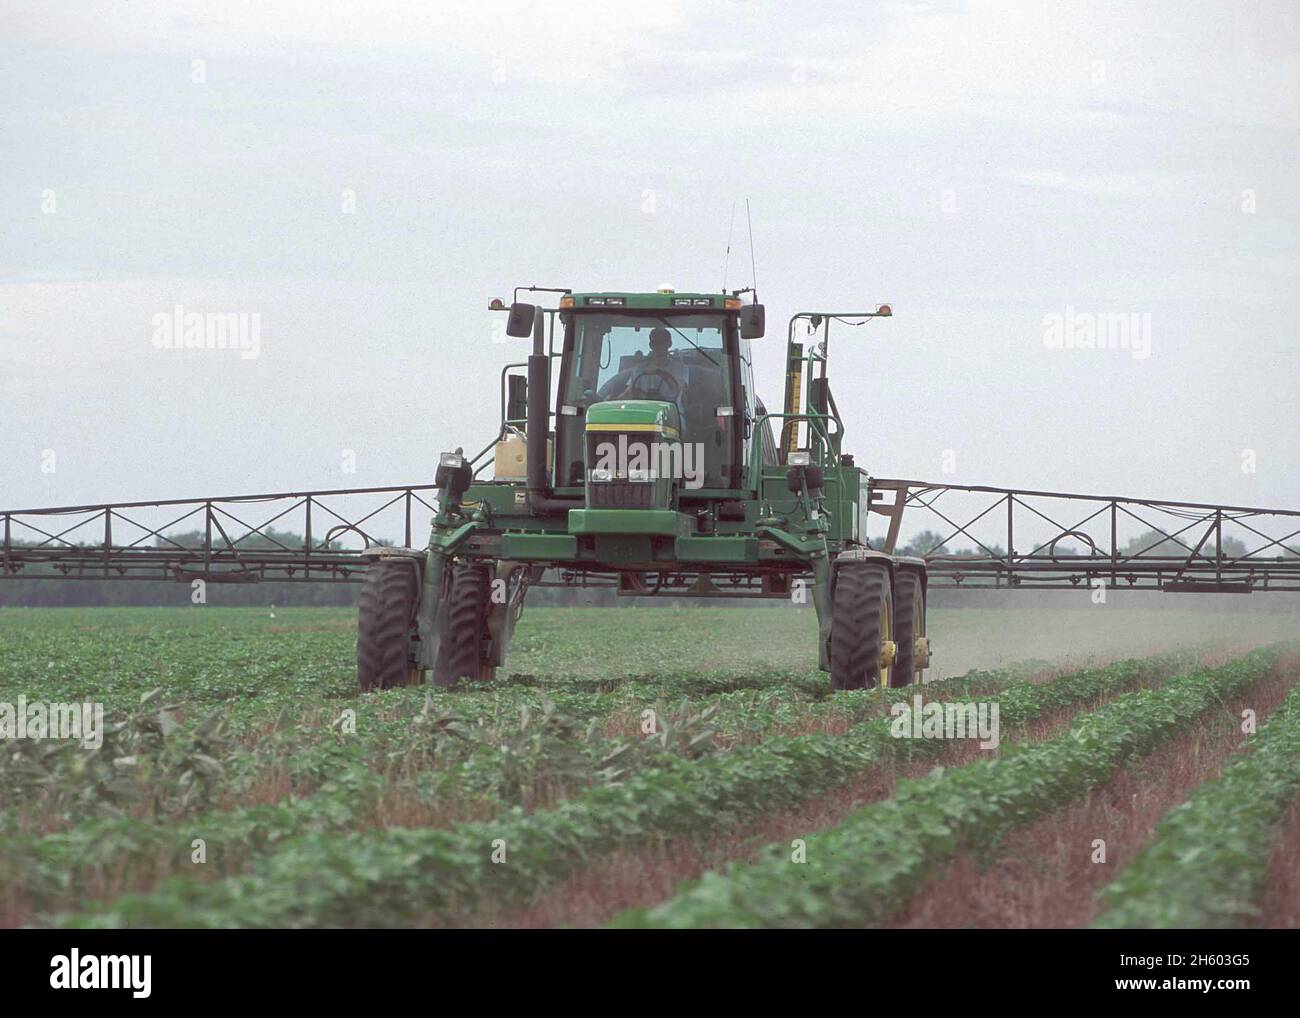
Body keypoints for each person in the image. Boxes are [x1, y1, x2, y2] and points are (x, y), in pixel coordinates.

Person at [617, 327, 688, 412]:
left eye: (662, 342)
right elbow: (629, 392)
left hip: (673, 418)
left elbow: (677, 388)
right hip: (644, 416)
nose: (658, 346)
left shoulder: (680, 369)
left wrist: (659, 372)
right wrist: (612, 403)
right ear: (650, 345)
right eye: (655, 343)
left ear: (669, 344)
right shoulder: (639, 369)